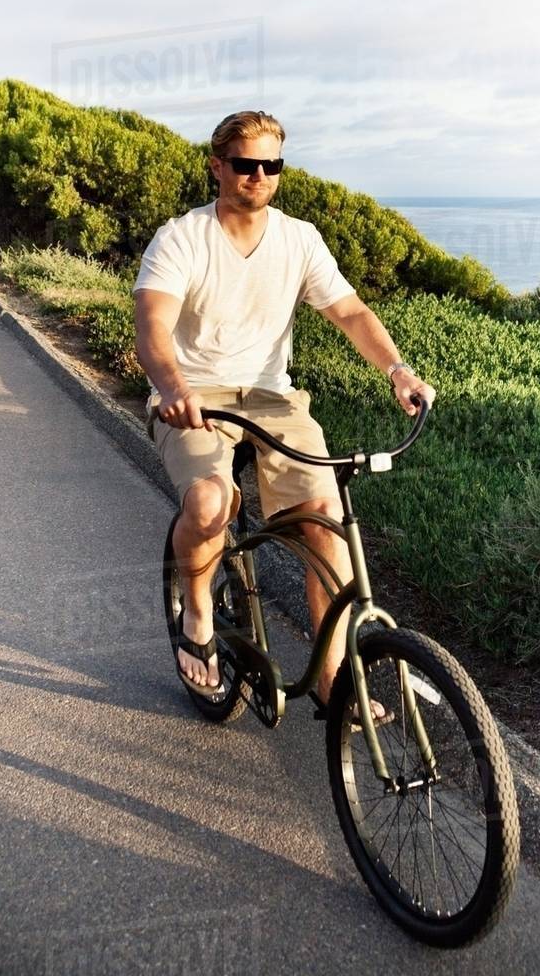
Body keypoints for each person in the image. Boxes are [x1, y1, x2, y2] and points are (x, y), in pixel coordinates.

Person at [133, 110, 435, 710]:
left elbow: (349, 312)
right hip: (193, 397)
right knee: (210, 503)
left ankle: (330, 680)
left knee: (327, 520)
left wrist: (397, 369)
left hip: (272, 397)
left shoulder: (299, 239)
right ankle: (197, 615)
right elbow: (152, 325)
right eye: (246, 165)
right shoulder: (181, 237)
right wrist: (171, 386)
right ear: (218, 167)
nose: (260, 176)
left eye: (272, 165)